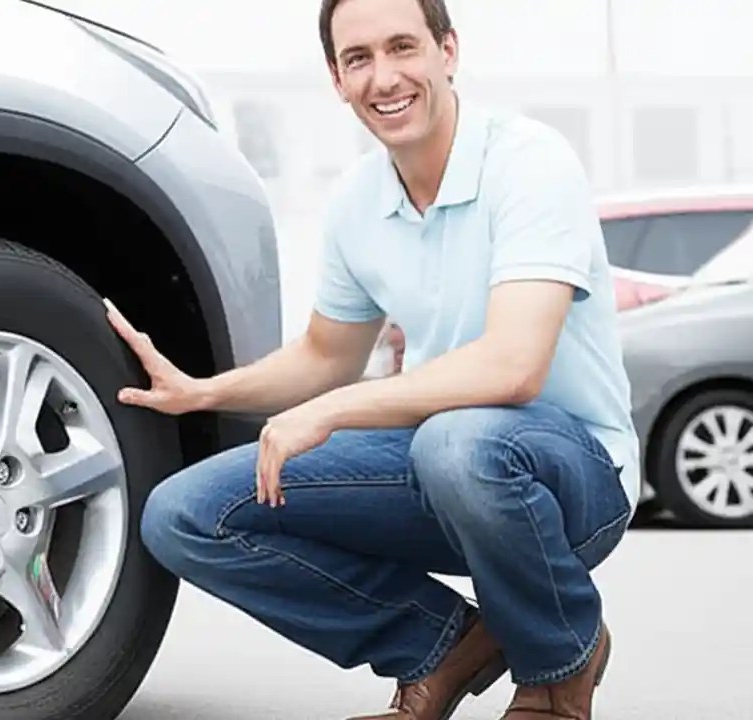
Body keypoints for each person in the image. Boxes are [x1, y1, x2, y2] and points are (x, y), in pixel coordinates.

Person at [103, 0, 638, 718]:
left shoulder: (530, 162)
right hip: (441, 466)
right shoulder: (359, 199)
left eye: (402, 48)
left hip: (572, 479)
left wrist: (330, 412)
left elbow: (514, 367)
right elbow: (328, 354)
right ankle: (441, 645)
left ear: (448, 51)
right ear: (337, 78)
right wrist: (200, 390)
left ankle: (561, 655)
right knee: (184, 515)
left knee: (458, 441)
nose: (384, 78)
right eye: (358, 59)